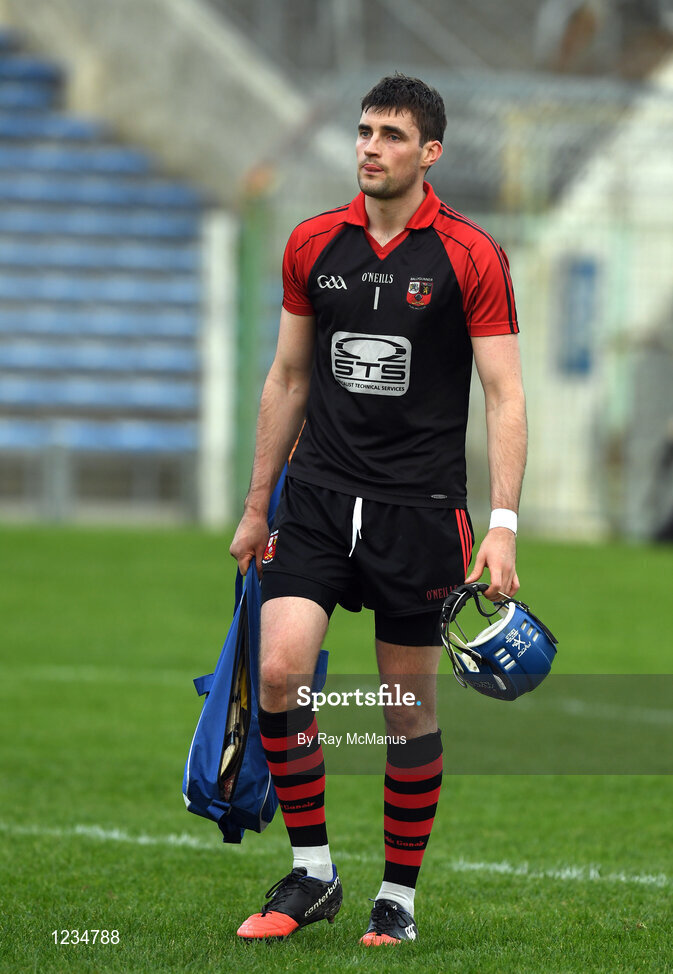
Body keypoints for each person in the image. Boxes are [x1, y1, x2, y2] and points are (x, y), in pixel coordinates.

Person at [229, 73, 527, 946]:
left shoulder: (471, 255)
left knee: (404, 706)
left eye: (391, 135)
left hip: (422, 509)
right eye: (363, 131)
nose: (369, 147)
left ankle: (397, 895)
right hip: (316, 495)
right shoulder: (313, 243)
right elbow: (286, 378)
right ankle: (312, 872)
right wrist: (256, 507)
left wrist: (502, 526)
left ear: (429, 153)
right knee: (280, 674)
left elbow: (505, 397)